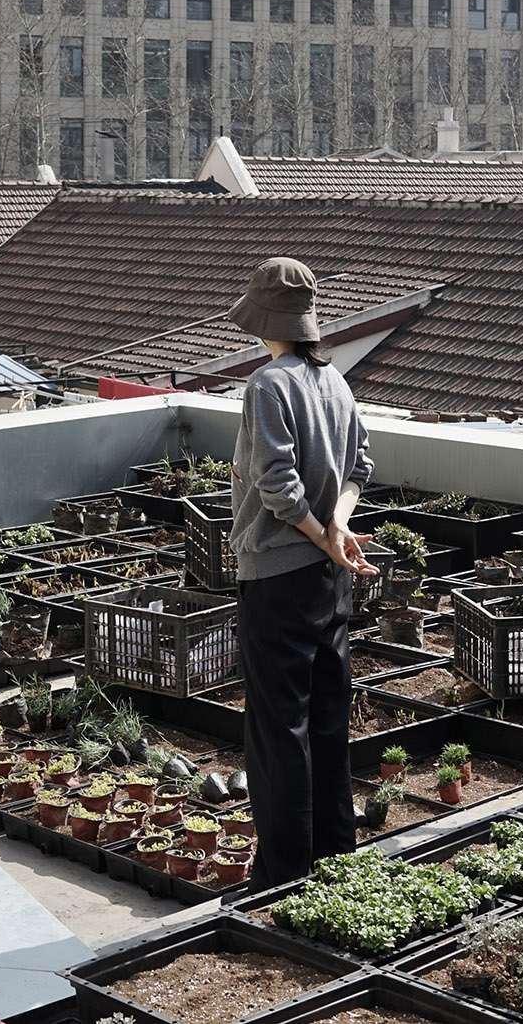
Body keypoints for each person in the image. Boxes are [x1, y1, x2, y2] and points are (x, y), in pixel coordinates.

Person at [227, 256, 377, 893]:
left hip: (278, 578)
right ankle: (335, 858)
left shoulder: (268, 384)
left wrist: (323, 534)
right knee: (326, 717)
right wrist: (339, 532)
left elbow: (279, 492)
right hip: (327, 582)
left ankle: (284, 870)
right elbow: (360, 467)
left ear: (264, 321)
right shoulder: (334, 381)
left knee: (277, 726)